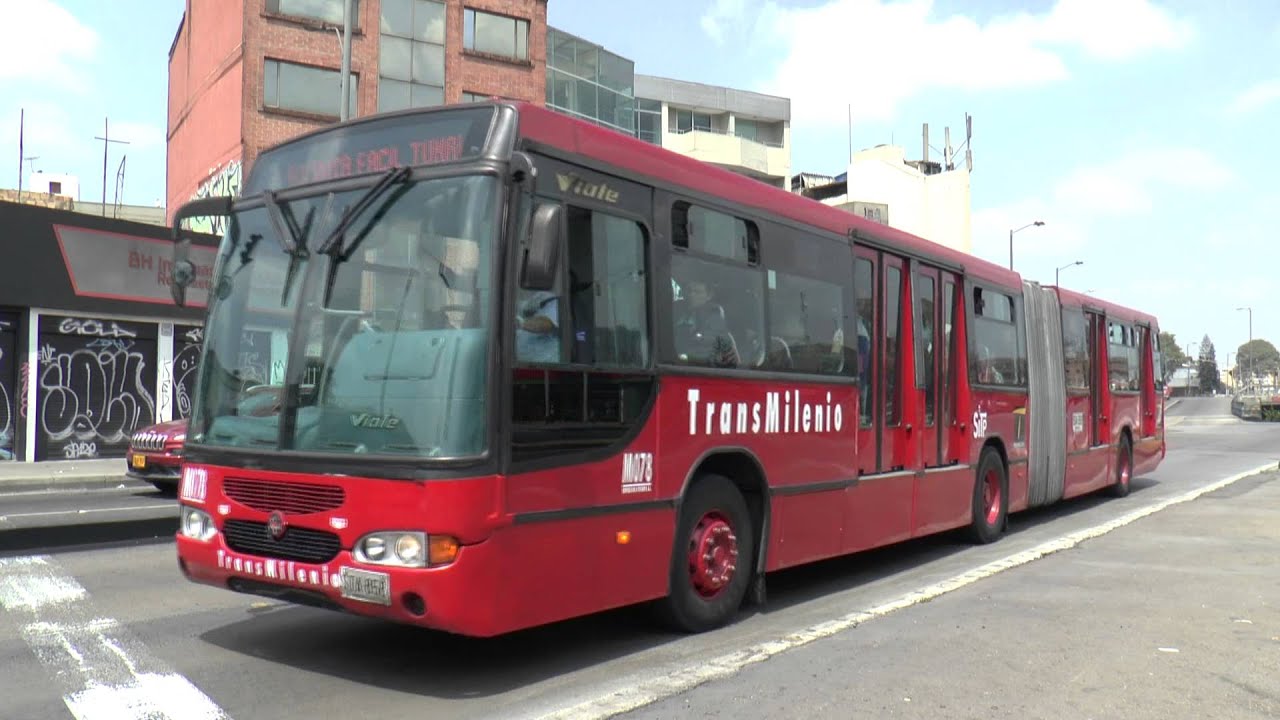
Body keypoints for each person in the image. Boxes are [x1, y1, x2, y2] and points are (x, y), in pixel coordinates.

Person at [675, 280, 738, 366]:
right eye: (689, 290)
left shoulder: (716, 319)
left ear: (709, 296)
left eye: (697, 291)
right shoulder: (676, 311)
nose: (691, 294)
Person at [515, 290, 561, 363]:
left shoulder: (554, 304)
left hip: (540, 362)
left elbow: (547, 325)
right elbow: (523, 307)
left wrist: (521, 324)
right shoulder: (546, 303)